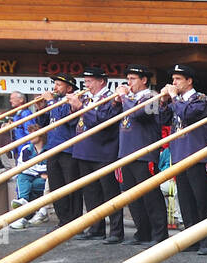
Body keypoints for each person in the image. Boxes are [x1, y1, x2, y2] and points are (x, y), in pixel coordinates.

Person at [161, 64, 207, 253]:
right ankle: (191, 240)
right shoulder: (175, 101)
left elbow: (187, 113)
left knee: (202, 200)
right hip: (178, 156)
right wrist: (162, 100)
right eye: (173, 79)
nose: (173, 83)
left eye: (178, 79)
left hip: (197, 156)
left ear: (189, 81)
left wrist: (174, 97)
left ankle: (206, 241)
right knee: (185, 200)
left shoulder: (201, 99)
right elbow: (160, 119)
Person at [68, 68, 123, 242]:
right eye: (85, 81)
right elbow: (72, 122)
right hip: (84, 151)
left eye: (90, 81)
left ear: (102, 82)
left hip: (104, 152)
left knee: (110, 193)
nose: (86, 85)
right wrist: (73, 107)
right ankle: (96, 228)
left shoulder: (111, 99)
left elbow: (102, 122)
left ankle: (116, 231)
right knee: (91, 194)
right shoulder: (85, 98)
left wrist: (81, 107)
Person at [117, 65, 168, 247]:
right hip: (126, 153)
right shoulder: (127, 100)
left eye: (132, 79)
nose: (128, 83)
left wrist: (124, 97)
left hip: (144, 154)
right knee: (133, 197)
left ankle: (159, 234)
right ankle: (142, 232)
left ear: (144, 80)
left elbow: (139, 114)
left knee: (150, 195)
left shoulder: (152, 97)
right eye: (128, 79)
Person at [36, 74, 85, 227]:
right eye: (55, 84)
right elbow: (44, 124)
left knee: (71, 187)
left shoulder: (73, 100)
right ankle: (63, 221)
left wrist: (50, 101)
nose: (55, 88)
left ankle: (75, 222)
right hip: (52, 148)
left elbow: (66, 119)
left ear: (69, 88)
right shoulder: (55, 103)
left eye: (58, 85)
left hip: (68, 150)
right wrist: (42, 109)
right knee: (56, 187)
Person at [10, 132, 52, 229]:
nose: (30, 137)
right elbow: (22, 166)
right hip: (33, 176)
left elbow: (49, 167)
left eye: (33, 134)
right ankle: (24, 201)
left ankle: (24, 216)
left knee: (33, 185)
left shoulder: (49, 149)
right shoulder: (26, 149)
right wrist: (39, 171)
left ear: (40, 136)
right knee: (22, 177)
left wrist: (34, 169)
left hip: (43, 179)